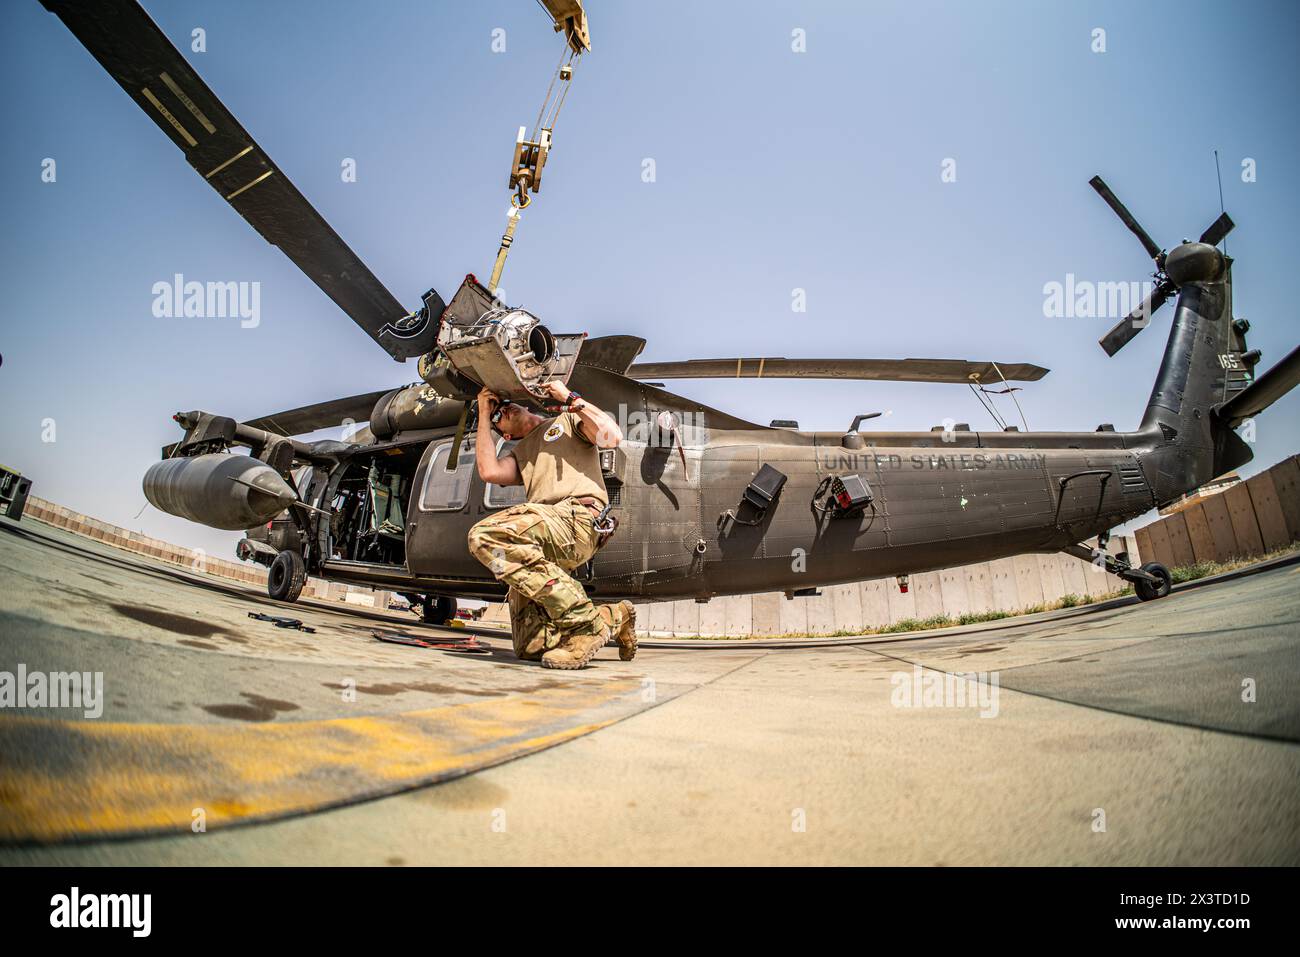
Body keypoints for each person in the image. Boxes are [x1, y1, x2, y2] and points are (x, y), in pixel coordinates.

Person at [467, 380, 636, 669]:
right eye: (498, 416)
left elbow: (612, 436)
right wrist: (484, 413)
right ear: (505, 434)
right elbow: (489, 470)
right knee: (530, 647)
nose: (502, 411)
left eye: (505, 406)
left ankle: (585, 625)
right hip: (545, 533)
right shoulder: (519, 454)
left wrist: (571, 398)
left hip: (578, 517)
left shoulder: (568, 420)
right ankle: (612, 616)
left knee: (483, 537)